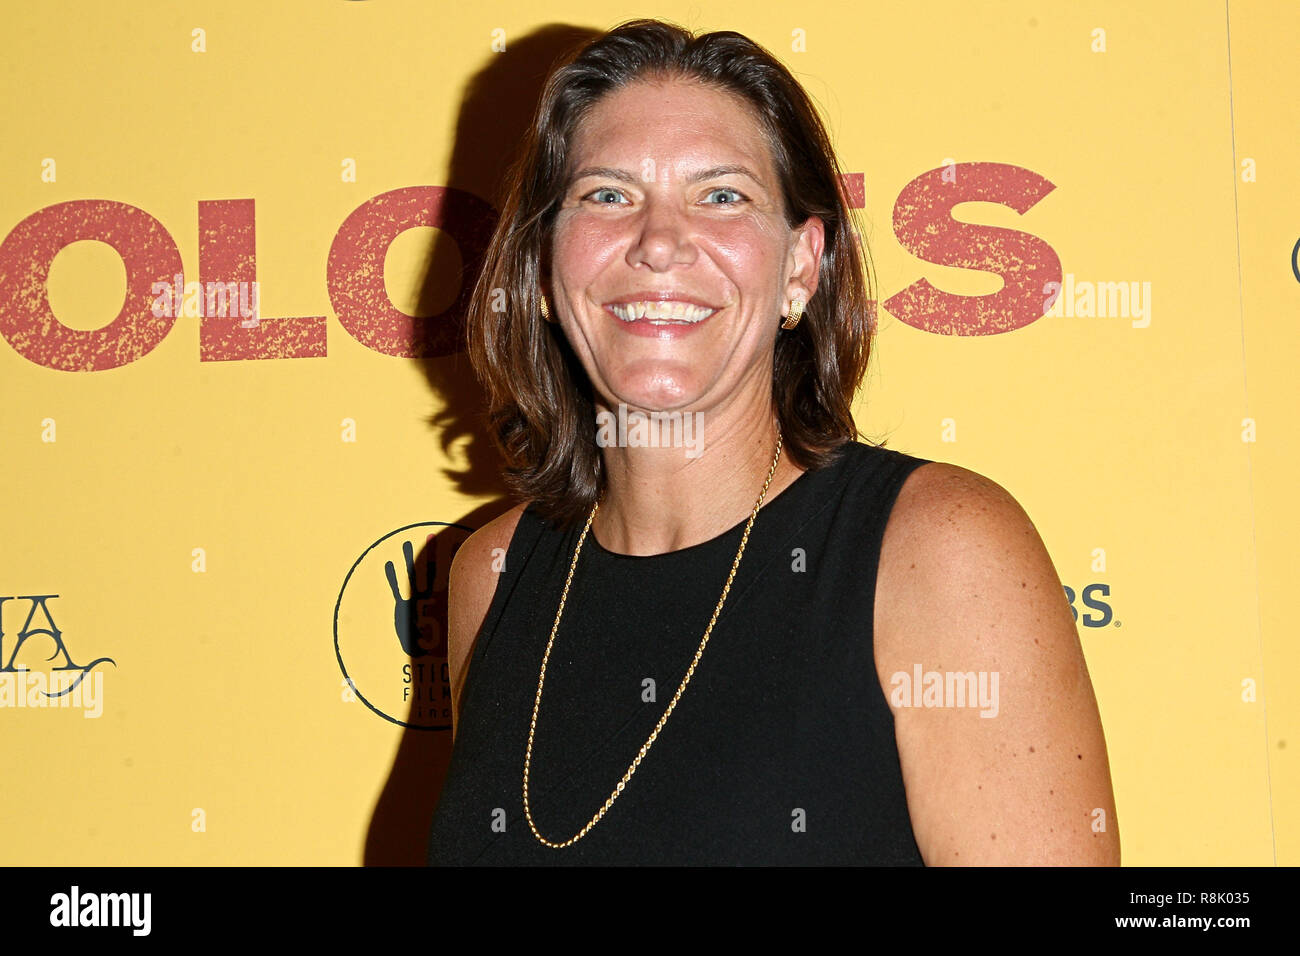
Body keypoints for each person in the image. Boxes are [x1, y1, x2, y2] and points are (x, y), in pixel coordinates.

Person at [426, 18, 1119, 865]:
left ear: (800, 266)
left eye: (722, 196)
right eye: (607, 194)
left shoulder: (936, 551)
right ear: (540, 264)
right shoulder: (491, 575)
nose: (658, 243)